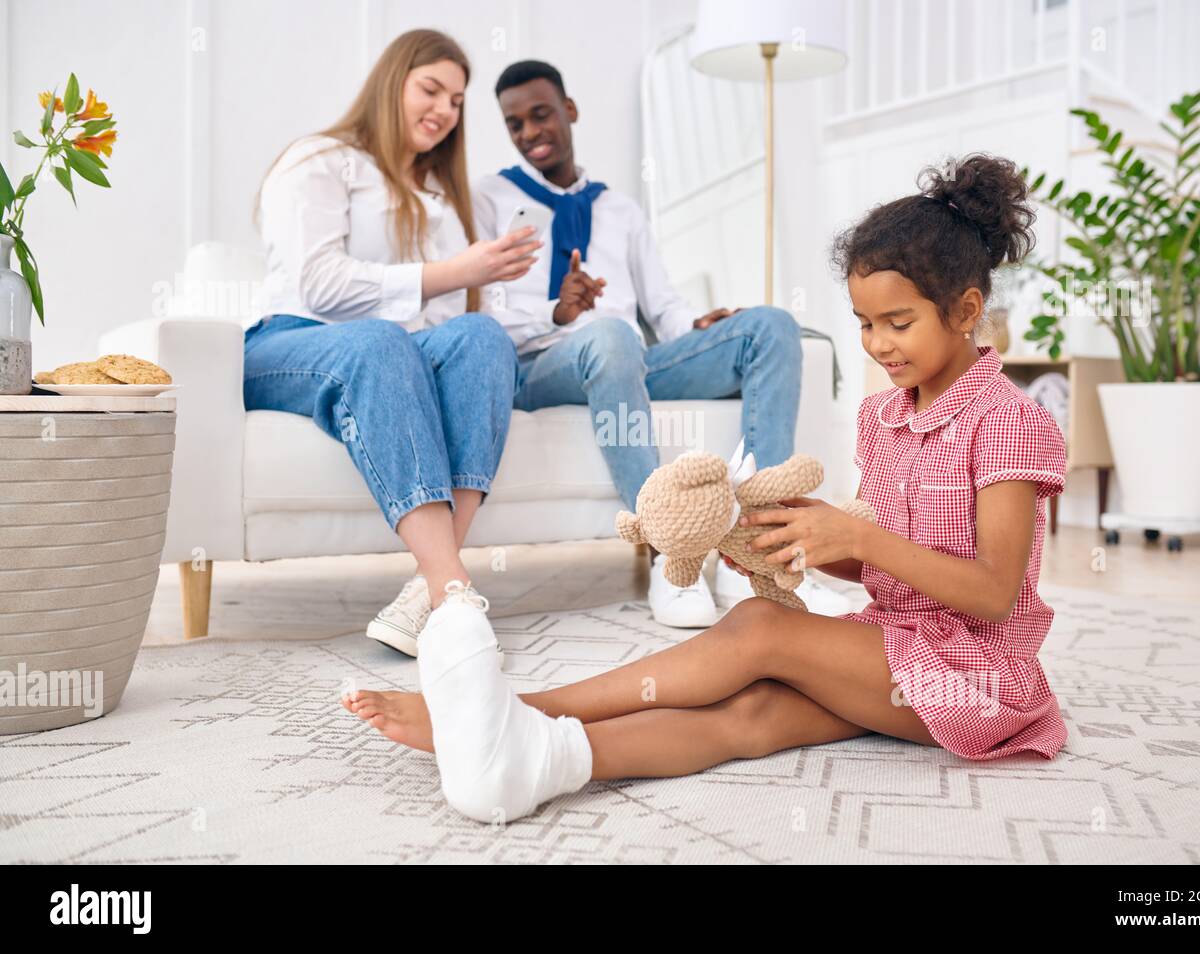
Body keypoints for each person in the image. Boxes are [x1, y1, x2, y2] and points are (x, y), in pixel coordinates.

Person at [341, 153, 1071, 825]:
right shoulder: (884, 416)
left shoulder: (1007, 421)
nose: (878, 344)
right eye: (863, 324)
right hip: (896, 649)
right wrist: (800, 542)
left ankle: (512, 709)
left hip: (976, 680)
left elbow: (992, 593)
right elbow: (892, 570)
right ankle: (533, 759)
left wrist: (857, 535)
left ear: (966, 311)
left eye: (898, 323)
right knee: (750, 713)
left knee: (760, 628)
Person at [470, 59, 853, 627]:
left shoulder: (620, 209)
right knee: (609, 334)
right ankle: (671, 556)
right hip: (544, 364)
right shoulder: (489, 198)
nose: (530, 132)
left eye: (541, 114)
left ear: (569, 110)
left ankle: (757, 552)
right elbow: (480, 314)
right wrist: (557, 310)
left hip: (628, 360)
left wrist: (700, 325)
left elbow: (663, 306)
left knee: (770, 325)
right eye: (514, 124)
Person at [245, 29, 541, 661]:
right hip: (289, 341)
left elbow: (442, 323)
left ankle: (431, 588)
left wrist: (536, 307)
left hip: (392, 353)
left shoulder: (439, 198)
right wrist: (458, 271)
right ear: (391, 82)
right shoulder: (320, 159)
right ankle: (452, 585)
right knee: (382, 342)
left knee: (481, 336)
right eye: (431, 89)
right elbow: (319, 285)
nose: (444, 110)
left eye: (457, 101)